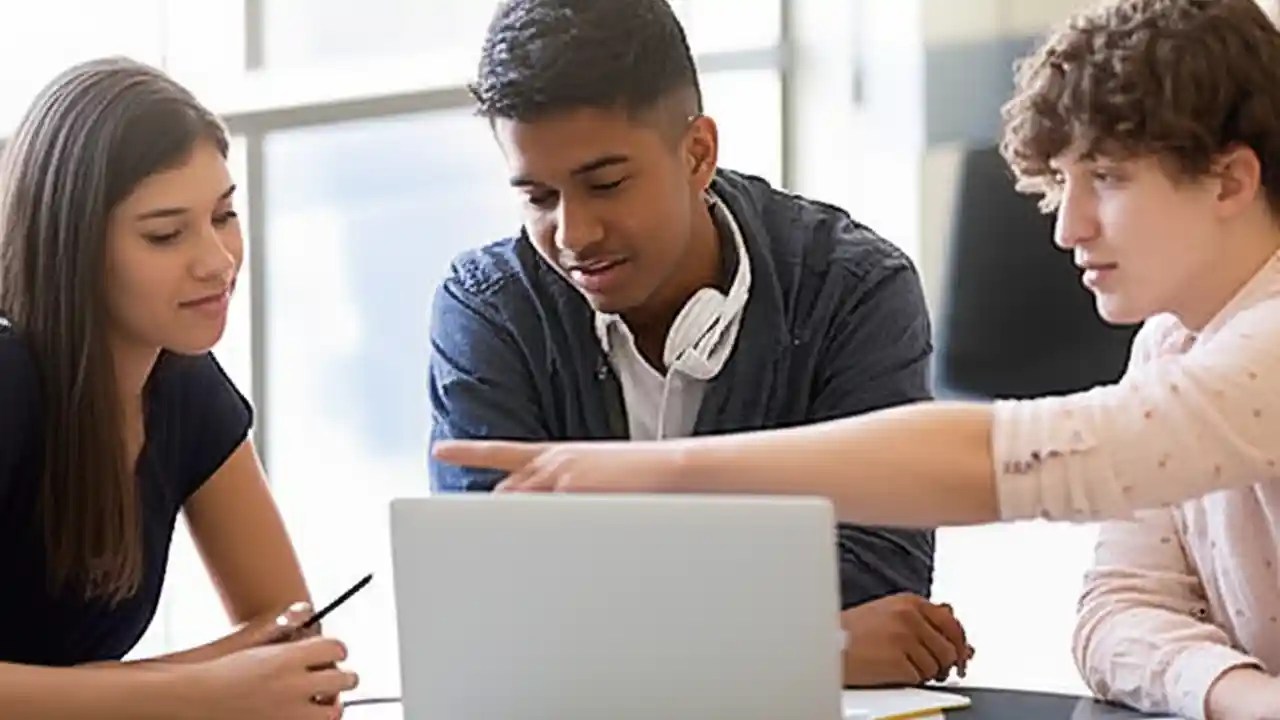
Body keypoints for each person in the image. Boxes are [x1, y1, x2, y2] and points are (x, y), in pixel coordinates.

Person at [435, 0, 1280, 715]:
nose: (1066, 228)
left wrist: (648, 477)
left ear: (1231, 181)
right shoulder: (1169, 343)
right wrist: (1245, 696)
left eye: (1109, 180)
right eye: (1064, 184)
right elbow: (1115, 618)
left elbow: (1010, 465)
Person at [427, 0, 972, 687]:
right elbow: (494, 609)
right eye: (539, 198)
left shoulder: (852, 291)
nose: (574, 235)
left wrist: (604, 624)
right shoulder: (491, 310)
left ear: (698, 153)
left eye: (606, 185)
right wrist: (806, 647)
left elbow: (879, 584)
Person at [0, 57, 358, 718]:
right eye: (165, 235)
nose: (217, 262)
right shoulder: (10, 378)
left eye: (223, 216)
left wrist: (170, 688)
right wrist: (201, 690)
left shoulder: (181, 377)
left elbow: (292, 636)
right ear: (71, 247)